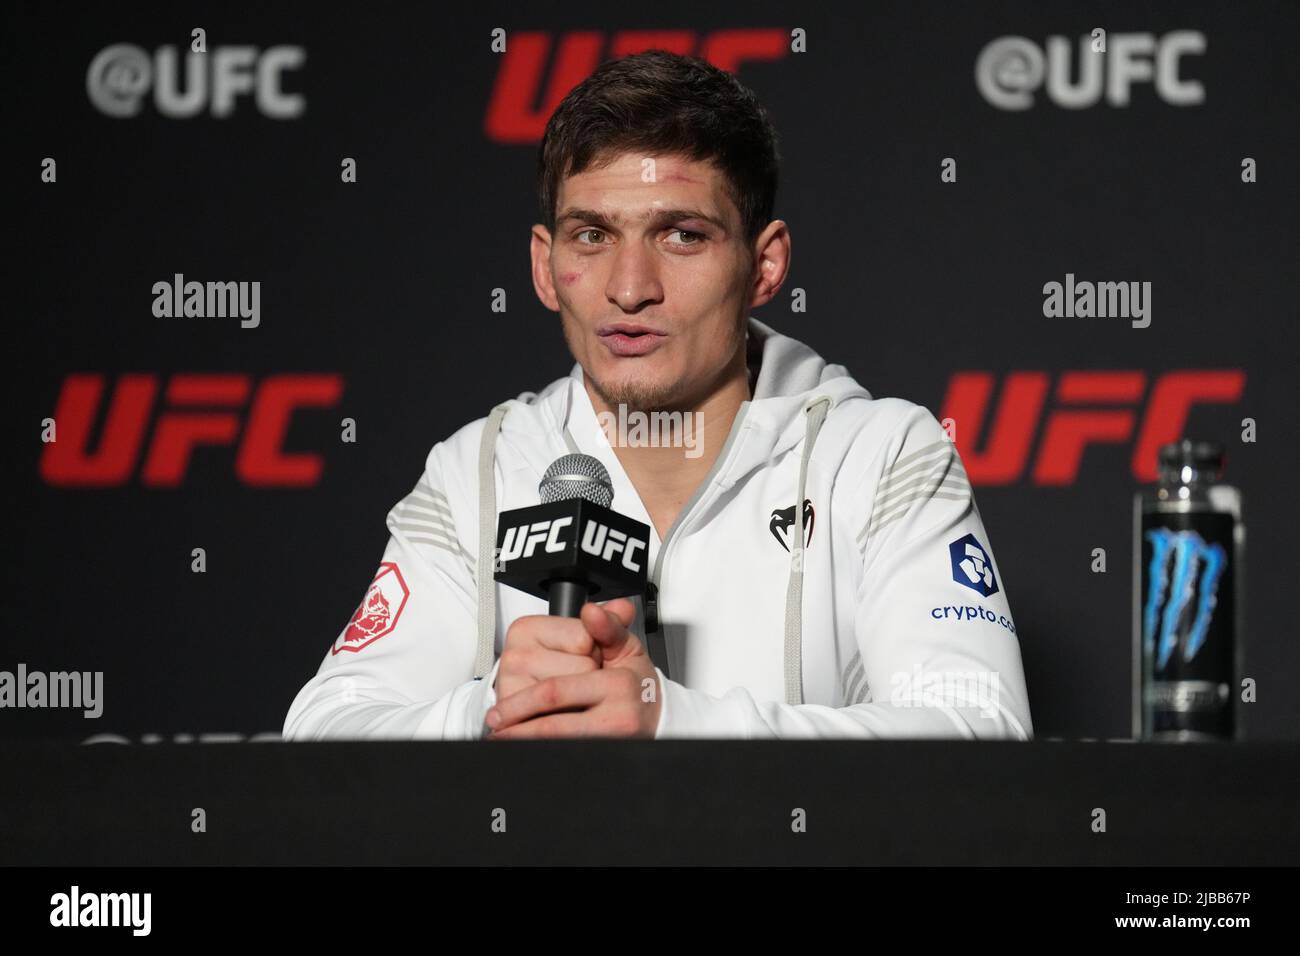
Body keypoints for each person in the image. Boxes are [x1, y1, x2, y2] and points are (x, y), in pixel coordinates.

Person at [283, 50, 1032, 740]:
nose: (630, 288)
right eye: (592, 236)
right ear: (545, 268)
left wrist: (671, 719)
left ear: (765, 265)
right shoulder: (478, 468)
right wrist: (497, 708)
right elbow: (324, 729)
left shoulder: (881, 456)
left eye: (681, 235)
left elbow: (981, 726)